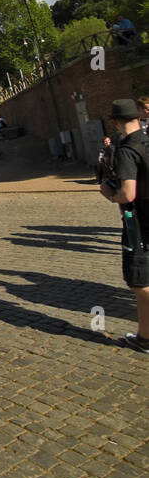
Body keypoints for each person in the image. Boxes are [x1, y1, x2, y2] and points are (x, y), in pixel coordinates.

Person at [100, 99, 149, 353]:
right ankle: (144, 335)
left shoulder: (127, 150)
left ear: (116, 122)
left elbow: (128, 194)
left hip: (138, 221)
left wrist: (109, 193)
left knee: (139, 280)